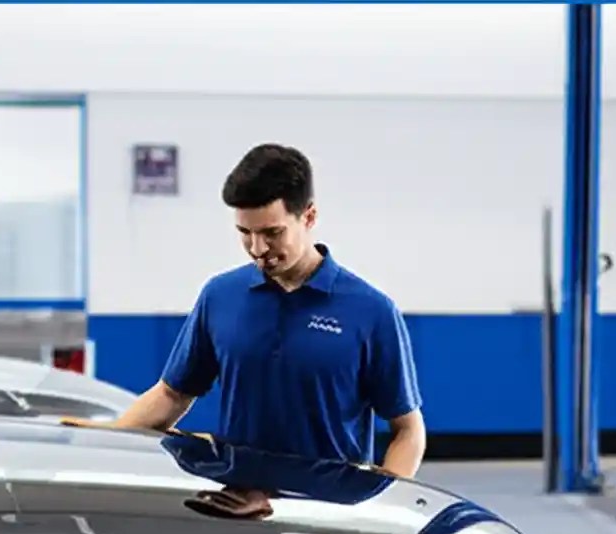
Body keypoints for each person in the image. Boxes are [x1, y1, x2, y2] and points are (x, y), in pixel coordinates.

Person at [105, 143, 426, 480]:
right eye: (245, 233)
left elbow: (408, 430)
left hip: (329, 514)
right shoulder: (219, 296)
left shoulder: (371, 310)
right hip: (239, 507)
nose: (258, 249)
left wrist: (386, 506)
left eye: (273, 233)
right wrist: (103, 447)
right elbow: (172, 394)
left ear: (309, 217)